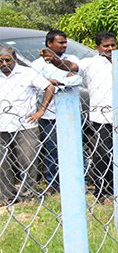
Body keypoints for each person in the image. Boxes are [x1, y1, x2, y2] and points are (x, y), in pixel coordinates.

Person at [42, 32, 118, 203]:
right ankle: (102, 192)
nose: (110, 49)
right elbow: (70, 66)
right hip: (102, 117)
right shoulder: (90, 63)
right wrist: (55, 61)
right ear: (97, 47)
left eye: (113, 45)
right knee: (103, 156)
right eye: (106, 46)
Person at [28, 30, 81, 194]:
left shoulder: (72, 60)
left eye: (65, 42)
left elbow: (78, 78)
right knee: (52, 149)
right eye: (61, 42)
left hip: (72, 112)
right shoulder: (36, 65)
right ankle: (53, 183)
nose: (64, 45)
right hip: (50, 114)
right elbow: (39, 84)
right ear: (49, 44)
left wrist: (56, 82)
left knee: (75, 147)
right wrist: (65, 79)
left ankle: (79, 181)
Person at [0, 45, 53, 205]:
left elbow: (49, 87)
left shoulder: (27, 73)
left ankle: (26, 195)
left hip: (25, 125)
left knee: (28, 161)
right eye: (0, 61)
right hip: (2, 125)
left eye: (7, 60)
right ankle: (6, 195)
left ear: (14, 58)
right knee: (2, 164)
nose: (4, 64)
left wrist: (41, 111)